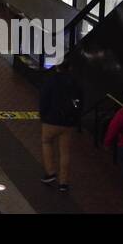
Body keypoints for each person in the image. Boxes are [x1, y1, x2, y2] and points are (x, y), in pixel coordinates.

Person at [38, 58, 82, 193]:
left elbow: (43, 100)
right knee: (65, 152)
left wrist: (43, 115)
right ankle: (64, 182)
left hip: (51, 120)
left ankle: (50, 172)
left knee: (46, 142)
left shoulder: (51, 81)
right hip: (68, 122)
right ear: (70, 67)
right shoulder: (75, 83)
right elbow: (81, 102)